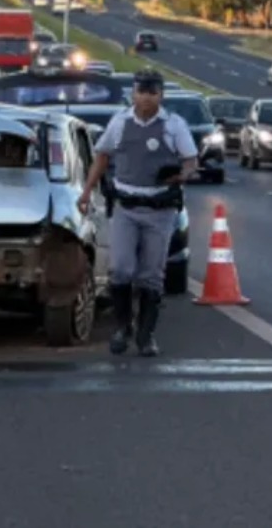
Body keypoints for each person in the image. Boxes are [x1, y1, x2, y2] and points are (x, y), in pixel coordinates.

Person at [78, 69, 197, 357]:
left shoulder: (173, 126)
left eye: (152, 92)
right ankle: (122, 327)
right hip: (126, 207)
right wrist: (86, 191)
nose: (146, 98)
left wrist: (180, 175)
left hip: (160, 210)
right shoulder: (120, 123)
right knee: (121, 269)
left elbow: (191, 160)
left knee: (151, 275)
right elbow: (102, 156)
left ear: (161, 95)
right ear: (133, 94)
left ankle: (146, 335)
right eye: (141, 92)